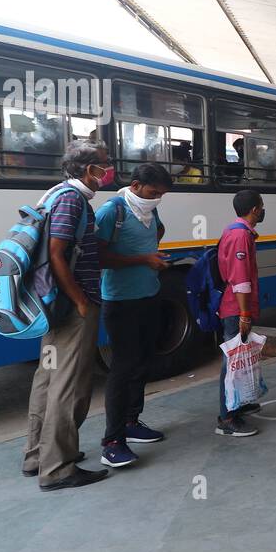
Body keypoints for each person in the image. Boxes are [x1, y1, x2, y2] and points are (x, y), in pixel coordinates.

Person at [22, 141, 112, 491]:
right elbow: (58, 253)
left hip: (51, 304)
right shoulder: (72, 200)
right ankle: (58, 468)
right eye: (103, 166)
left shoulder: (54, 194)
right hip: (70, 306)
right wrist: (81, 301)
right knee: (69, 385)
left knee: (46, 380)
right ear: (89, 170)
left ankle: (36, 456)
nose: (107, 172)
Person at [94, 162, 173, 467]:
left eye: (162, 196)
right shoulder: (111, 211)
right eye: (154, 193)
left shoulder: (149, 210)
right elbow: (98, 256)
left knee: (143, 362)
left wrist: (153, 257)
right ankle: (112, 442)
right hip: (121, 302)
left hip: (149, 296)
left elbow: (157, 232)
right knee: (123, 368)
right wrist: (143, 259)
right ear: (136, 185)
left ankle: (132, 421)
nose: (157, 200)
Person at [214, 189, 266, 437]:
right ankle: (227, 417)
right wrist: (245, 314)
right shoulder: (240, 236)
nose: (263, 210)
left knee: (239, 359)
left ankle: (238, 404)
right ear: (255, 209)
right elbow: (240, 280)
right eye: (262, 206)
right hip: (236, 308)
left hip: (237, 306)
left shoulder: (237, 231)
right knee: (233, 363)